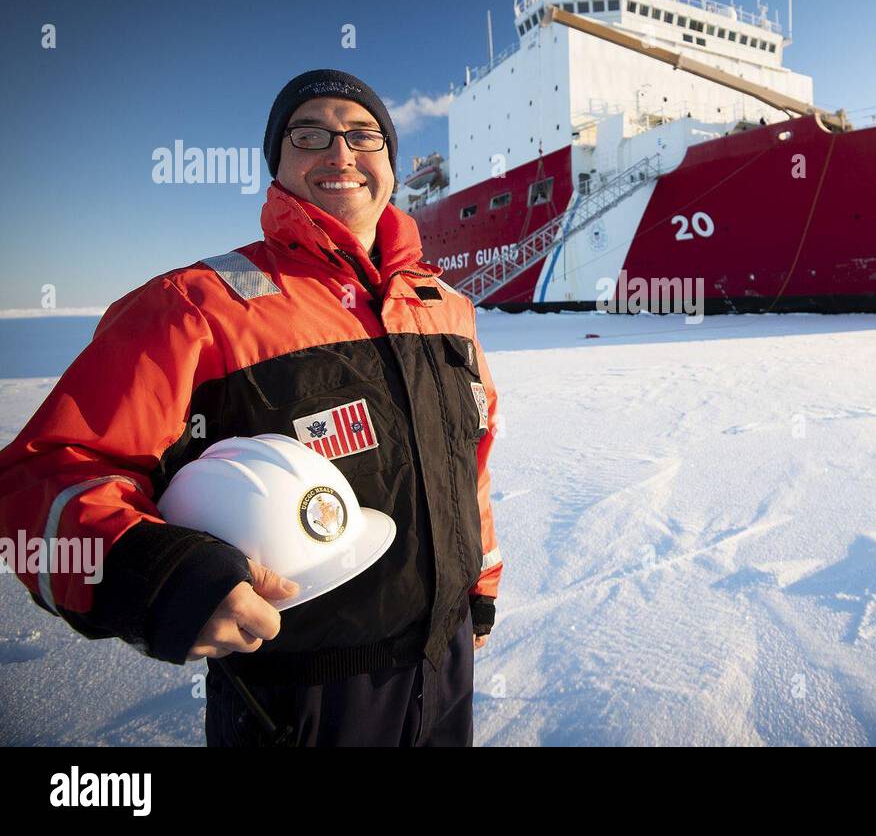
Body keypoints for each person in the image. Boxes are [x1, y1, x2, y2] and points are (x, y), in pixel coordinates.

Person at [0, 68, 502, 746]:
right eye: (310, 133)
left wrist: (480, 586)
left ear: (391, 161)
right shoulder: (199, 305)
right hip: (298, 699)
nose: (341, 152)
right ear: (278, 163)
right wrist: (155, 574)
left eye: (363, 134)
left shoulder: (447, 308)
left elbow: (471, 464)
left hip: (447, 673)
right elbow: (45, 473)